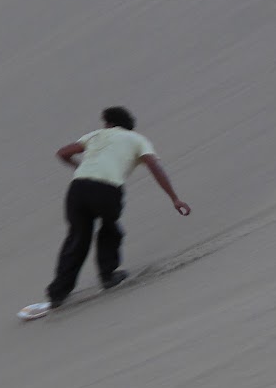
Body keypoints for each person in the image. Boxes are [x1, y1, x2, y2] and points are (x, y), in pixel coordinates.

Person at [23, 107, 190, 319]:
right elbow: (154, 166)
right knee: (110, 230)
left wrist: (81, 167)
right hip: (107, 189)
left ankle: (58, 293)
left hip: (78, 188)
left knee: (77, 237)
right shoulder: (137, 139)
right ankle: (108, 275)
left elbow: (63, 153)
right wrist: (174, 198)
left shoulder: (96, 135)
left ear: (109, 123)